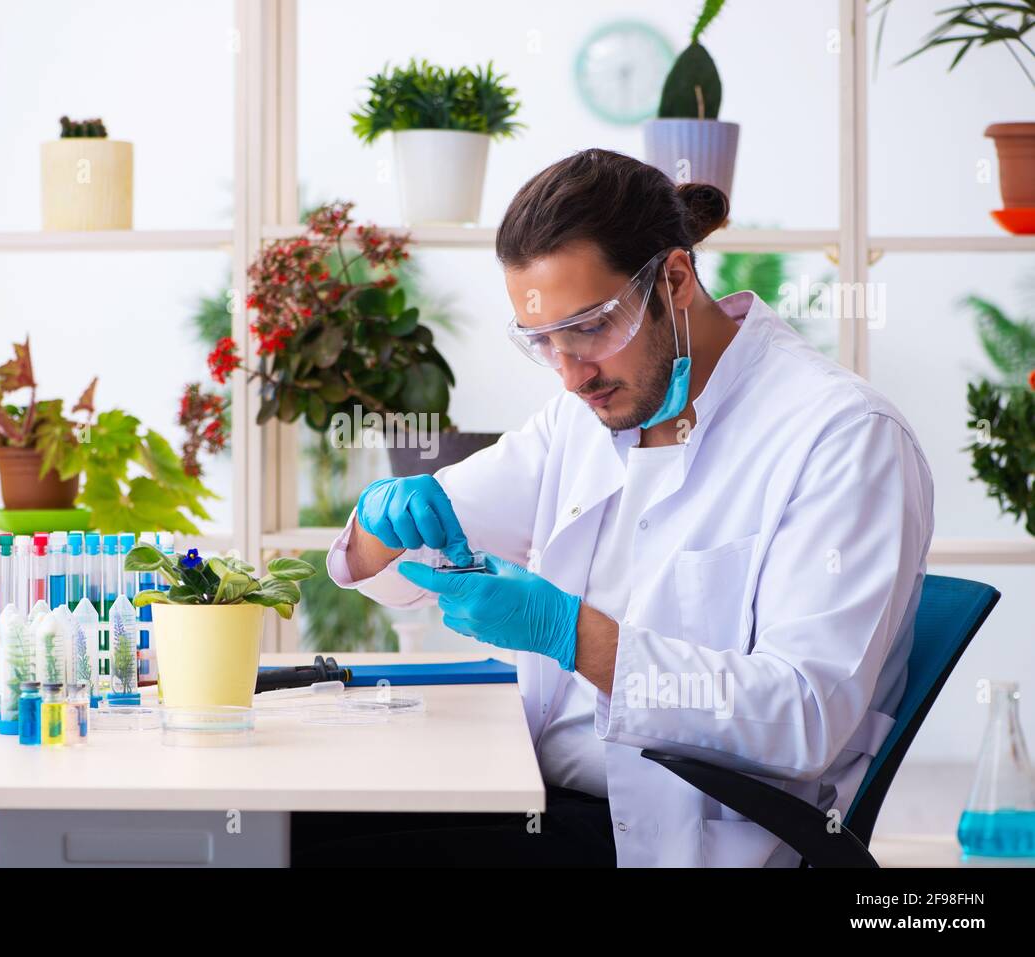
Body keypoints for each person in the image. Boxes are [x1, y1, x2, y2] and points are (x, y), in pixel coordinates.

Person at [292, 148, 933, 868]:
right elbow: (401, 561)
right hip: (539, 792)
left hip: (680, 838)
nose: (570, 375)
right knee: (290, 826)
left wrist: (570, 633)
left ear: (675, 279)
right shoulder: (588, 415)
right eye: (543, 343)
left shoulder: (840, 437)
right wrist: (384, 520)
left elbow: (804, 714)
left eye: (591, 327)